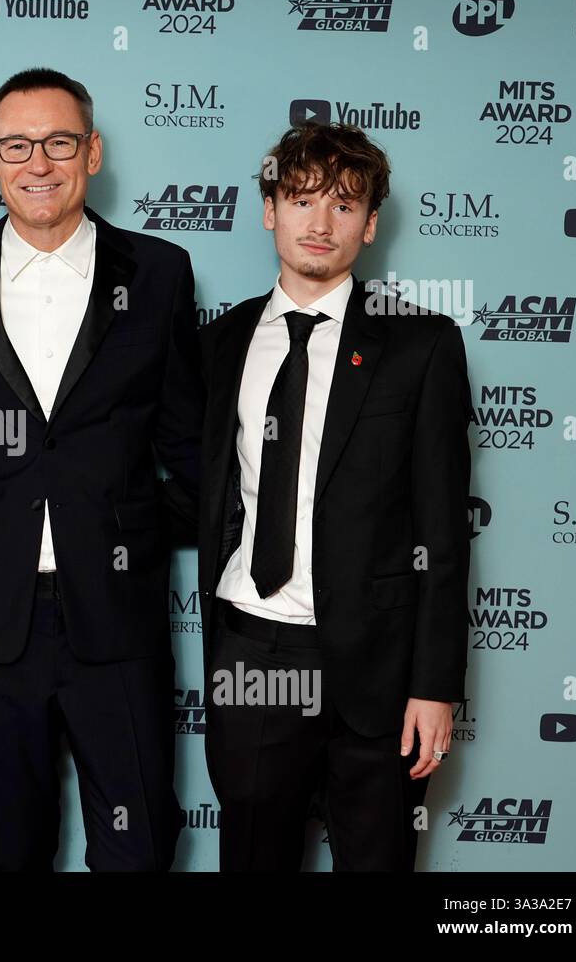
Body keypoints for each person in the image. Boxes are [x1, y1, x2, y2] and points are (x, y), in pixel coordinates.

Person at [0, 68, 203, 871]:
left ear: (92, 152)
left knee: (139, 848)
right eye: (17, 145)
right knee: (12, 847)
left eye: (60, 142)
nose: (40, 163)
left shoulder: (160, 271)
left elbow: (186, 443)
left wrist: (130, 519)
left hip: (117, 610)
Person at [197, 121, 472, 871]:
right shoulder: (219, 346)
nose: (320, 224)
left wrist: (435, 686)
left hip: (378, 670)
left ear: (372, 224)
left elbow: (444, 533)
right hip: (253, 647)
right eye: (301, 199)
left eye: (344, 206)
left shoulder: (422, 344)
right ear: (269, 209)